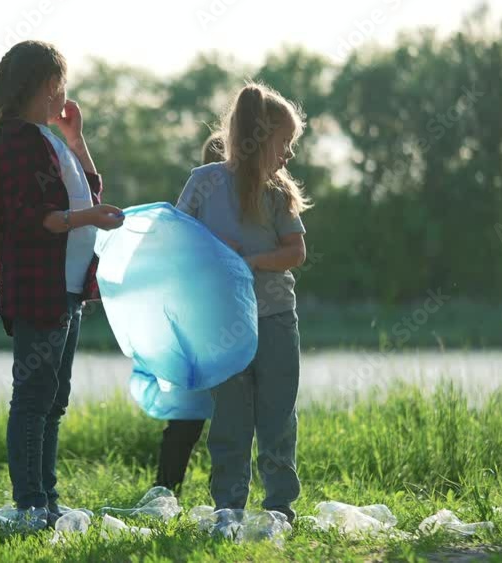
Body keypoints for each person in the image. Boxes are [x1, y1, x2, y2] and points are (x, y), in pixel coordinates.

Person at [0, 40, 125, 526]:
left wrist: (76, 138)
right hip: (40, 288)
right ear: (47, 85)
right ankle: (30, 504)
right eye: (61, 84)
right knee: (33, 398)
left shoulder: (46, 137)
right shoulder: (18, 139)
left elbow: (88, 191)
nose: (64, 93)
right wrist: (89, 217)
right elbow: (34, 217)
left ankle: (47, 501)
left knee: (54, 399)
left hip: (66, 288)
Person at [176, 82, 312, 522]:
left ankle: (278, 507)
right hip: (222, 325)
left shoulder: (278, 190)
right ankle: (228, 508)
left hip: (274, 320)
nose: (288, 154)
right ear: (259, 137)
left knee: (277, 416)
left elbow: (295, 252)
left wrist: (249, 260)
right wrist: (214, 255)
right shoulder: (203, 183)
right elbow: (178, 240)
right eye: (284, 143)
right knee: (231, 420)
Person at [152, 132, 225, 495]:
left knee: (189, 416)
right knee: (219, 415)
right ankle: (218, 495)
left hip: (194, 325)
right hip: (205, 325)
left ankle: (166, 490)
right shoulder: (207, 211)